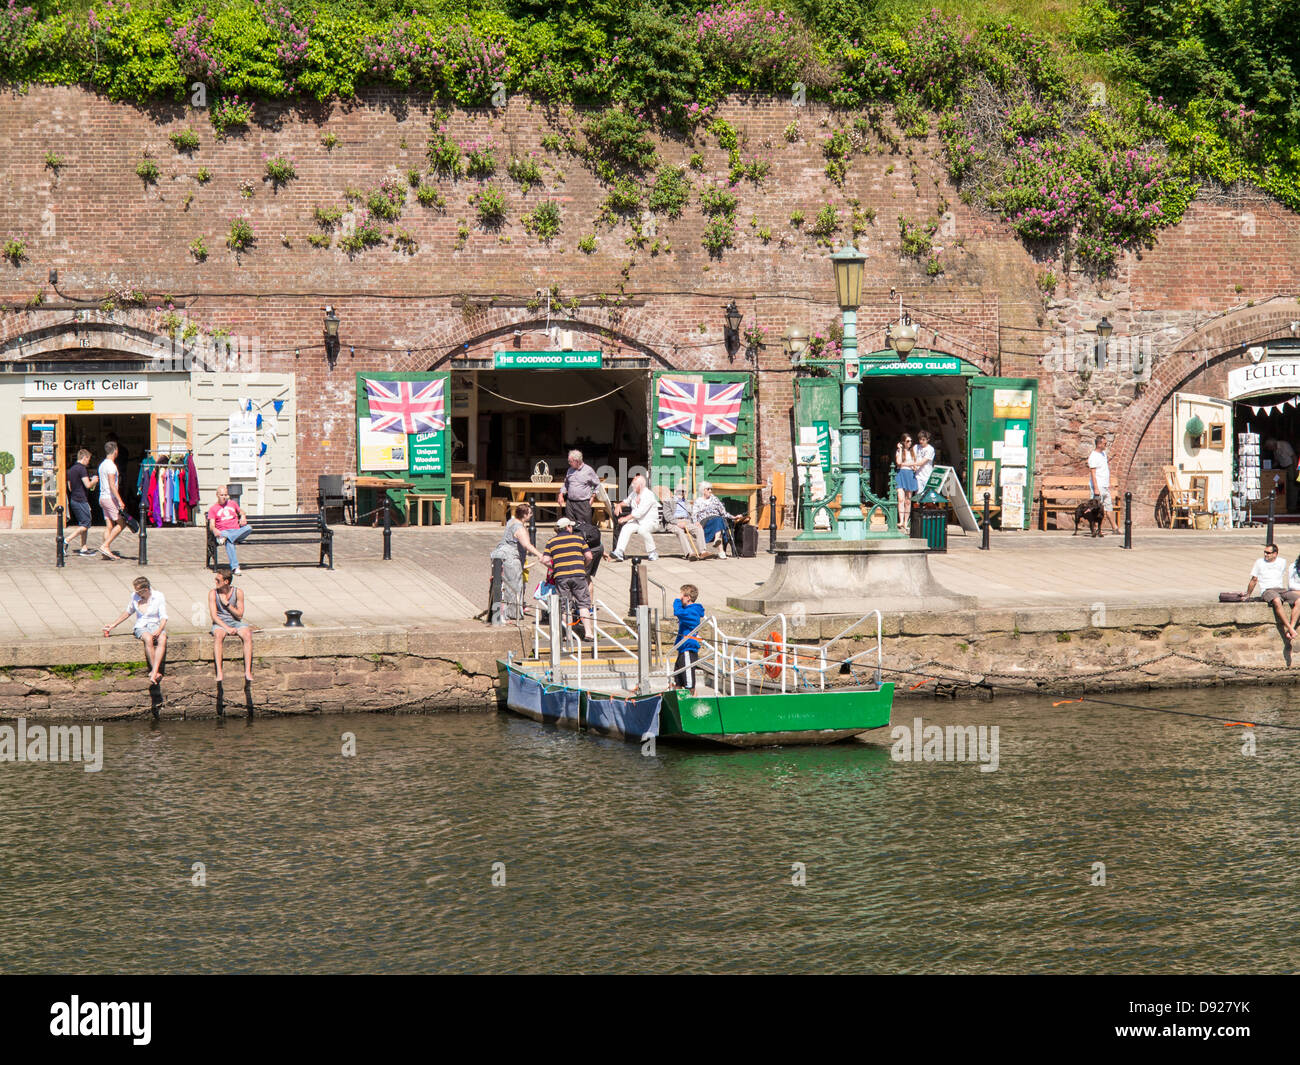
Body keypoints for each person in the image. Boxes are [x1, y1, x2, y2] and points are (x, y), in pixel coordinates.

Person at [102, 576, 169, 684]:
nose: (136, 593)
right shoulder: (134, 597)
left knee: (163, 638)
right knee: (148, 639)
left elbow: (163, 616)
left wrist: (160, 629)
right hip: (141, 625)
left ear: (146, 590)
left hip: (156, 624)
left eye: (138, 591)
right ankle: (155, 672)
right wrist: (113, 625)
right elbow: (128, 612)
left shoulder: (158, 596)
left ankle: (154, 671)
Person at [490, 503, 546, 620]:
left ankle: (499, 615)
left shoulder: (511, 521)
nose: (531, 515)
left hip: (499, 555)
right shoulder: (520, 528)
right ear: (525, 515)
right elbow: (526, 545)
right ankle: (513, 615)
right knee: (514, 586)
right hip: (510, 558)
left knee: (502, 585)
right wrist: (540, 555)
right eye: (530, 513)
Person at [542, 517, 594, 641]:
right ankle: (588, 633)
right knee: (583, 604)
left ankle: (568, 635)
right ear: (567, 527)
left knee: (565, 606)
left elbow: (544, 560)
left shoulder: (551, 542)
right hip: (579, 575)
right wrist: (583, 565)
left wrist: (554, 566)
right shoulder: (579, 539)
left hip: (561, 577)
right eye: (571, 526)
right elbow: (589, 556)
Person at [209, 567, 254, 683]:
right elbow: (214, 616)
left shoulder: (238, 592)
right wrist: (227, 628)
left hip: (235, 621)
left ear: (226, 582)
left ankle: (248, 671)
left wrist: (227, 604)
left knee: (247, 635)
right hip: (220, 622)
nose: (215, 582)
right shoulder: (213, 594)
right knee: (219, 636)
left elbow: (239, 615)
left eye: (218, 580)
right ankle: (219, 671)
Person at [1246, 543, 1294, 640]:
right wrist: (1248, 594)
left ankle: (1292, 627)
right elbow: (1254, 580)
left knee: (1298, 599)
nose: (1265, 555)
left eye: (1268, 553)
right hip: (1267, 590)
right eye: (1264, 552)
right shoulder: (1259, 562)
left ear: (1275, 554)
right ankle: (1289, 628)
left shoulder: (1282, 562)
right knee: (1276, 600)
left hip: (1280, 589)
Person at [611, 473, 659, 562]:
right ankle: (619, 552)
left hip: (650, 522)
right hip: (638, 521)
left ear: (640, 486)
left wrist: (625, 518)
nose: (632, 486)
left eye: (634, 484)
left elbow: (639, 513)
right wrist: (619, 505)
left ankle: (653, 552)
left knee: (642, 530)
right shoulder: (634, 493)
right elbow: (627, 501)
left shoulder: (648, 495)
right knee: (626, 528)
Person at [207, 485, 252, 574]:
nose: (224, 497)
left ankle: (228, 537)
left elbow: (241, 511)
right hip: (223, 531)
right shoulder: (213, 509)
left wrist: (243, 516)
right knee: (229, 542)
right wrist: (215, 530)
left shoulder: (232, 503)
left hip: (235, 532)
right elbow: (211, 525)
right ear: (217, 495)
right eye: (222, 495)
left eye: (225, 495)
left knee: (248, 528)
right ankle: (235, 568)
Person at [97, 441, 128, 560]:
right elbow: (112, 485)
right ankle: (105, 546)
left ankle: (105, 553)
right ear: (115, 451)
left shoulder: (102, 464)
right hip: (110, 498)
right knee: (121, 523)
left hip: (102, 497)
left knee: (109, 525)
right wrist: (120, 500)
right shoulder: (111, 466)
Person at [64, 448, 98, 556]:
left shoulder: (71, 469)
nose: (88, 462)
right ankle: (66, 540)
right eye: (88, 459)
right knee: (86, 524)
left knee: (84, 522)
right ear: (84, 458)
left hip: (73, 498)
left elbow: (69, 487)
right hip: (81, 499)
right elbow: (88, 485)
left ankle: (84, 547)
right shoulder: (82, 469)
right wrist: (94, 481)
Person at [672, 584, 705, 692]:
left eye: (682, 595)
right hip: (682, 649)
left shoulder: (692, 611)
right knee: (678, 681)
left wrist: (677, 600)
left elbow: (678, 612)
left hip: (688, 649)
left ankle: (691, 704)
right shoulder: (688, 610)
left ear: (688, 597)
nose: (681, 598)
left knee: (689, 684)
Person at [557, 449, 601, 527]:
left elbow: (597, 484)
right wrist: (561, 494)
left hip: (583, 503)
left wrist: (593, 497)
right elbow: (566, 484)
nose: (569, 463)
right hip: (570, 503)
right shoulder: (570, 470)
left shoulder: (588, 470)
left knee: (585, 527)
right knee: (570, 525)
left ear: (577, 461)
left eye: (570, 461)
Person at [1087, 434, 1120, 535]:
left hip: (1105, 486)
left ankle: (1115, 528)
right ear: (1099, 444)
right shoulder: (1093, 456)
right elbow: (1093, 473)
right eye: (1105, 443)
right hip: (1098, 486)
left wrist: (1108, 483)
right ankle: (1095, 529)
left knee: (1108, 506)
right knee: (1096, 509)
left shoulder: (1103, 454)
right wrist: (1096, 488)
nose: (1106, 445)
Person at [667, 484, 707, 559]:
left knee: (698, 528)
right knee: (680, 531)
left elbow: (691, 514)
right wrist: (677, 523)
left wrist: (696, 521)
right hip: (673, 523)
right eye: (679, 491)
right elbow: (667, 516)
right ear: (675, 491)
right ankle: (689, 553)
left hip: (686, 521)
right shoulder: (669, 501)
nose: (681, 493)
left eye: (683, 492)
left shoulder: (686, 502)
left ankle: (703, 552)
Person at [692, 481, 730, 558]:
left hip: (716, 520)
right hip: (705, 522)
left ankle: (718, 544)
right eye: (708, 489)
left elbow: (723, 512)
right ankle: (720, 550)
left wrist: (733, 517)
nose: (710, 491)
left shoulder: (715, 499)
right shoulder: (698, 501)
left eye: (711, 489)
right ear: (703, 490)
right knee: (719, 521)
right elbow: (694, 514)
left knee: (719, 519)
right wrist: (695, 522)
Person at [576, 519, 604, 602]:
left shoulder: (572, 533)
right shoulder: (584, 526)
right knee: (587, 577)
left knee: (583, 578)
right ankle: (590, 605)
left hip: (590, 551)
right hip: (598, 548)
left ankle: (585, 604)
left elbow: (589, 556)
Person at [1266, 438, 1297, 512]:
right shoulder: (1275, 450)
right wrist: (1269, 468)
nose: (1269, 449)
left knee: (1292, 487)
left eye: (1269, 447)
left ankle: (1292, 507)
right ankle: (1283, 505)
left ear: (1272, 445)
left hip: (1291, 466)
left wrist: (1296, 470)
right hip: (1282, 469)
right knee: (1282, 485)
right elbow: (1277, 461)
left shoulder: (1284, 445)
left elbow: (1294, 457)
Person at [895, 434, 919, 528]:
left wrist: (910, 465)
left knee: (908, 500)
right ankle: (900, 521)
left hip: (909, 475)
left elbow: (915, 465)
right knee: (901, 498)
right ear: (903, 442)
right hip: (901, 474)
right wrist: (900, 449)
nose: (910, 443)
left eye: (911, 441)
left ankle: (906, 521)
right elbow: (899, 462)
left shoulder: (913, 452)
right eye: (908, 441)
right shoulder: (899, 451)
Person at [914, 430, 936, 496]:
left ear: (928, 440)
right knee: (918, 496)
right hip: (918, 475)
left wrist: (911, 464)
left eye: (923, 440)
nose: (921, 441)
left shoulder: (930, 449)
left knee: (928, 496)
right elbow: (911, 456)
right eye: (920, 439)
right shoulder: (916, 447)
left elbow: (922, 462)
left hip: (927, 475)